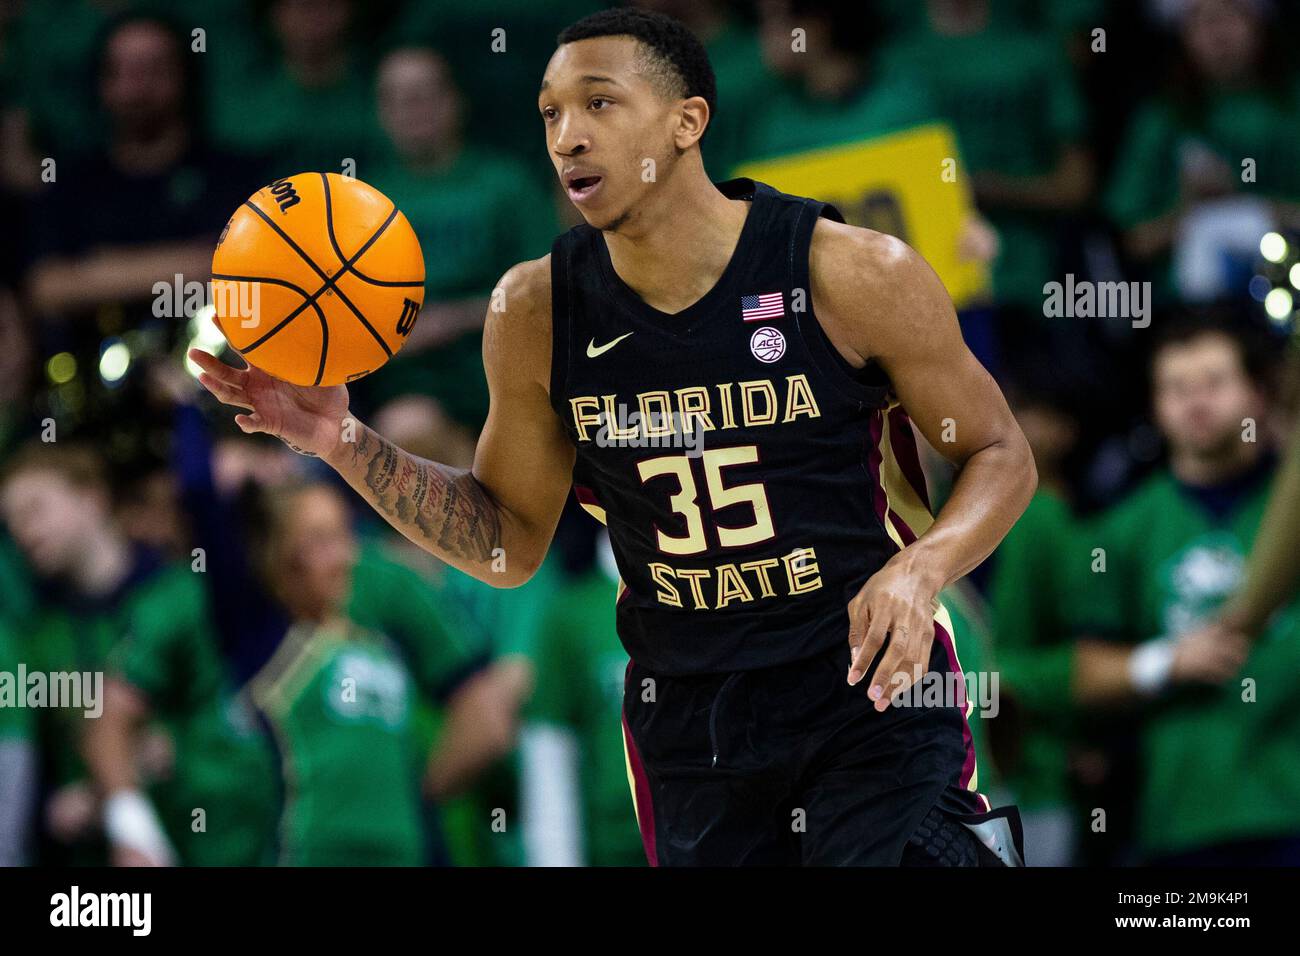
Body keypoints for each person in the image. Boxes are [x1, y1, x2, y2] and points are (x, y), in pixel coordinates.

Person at [192, 7, 1036, 867]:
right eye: (551, 113)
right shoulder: (533, 312)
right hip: (693, 723)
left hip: (868, 687)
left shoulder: (850, 271)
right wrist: (342, 441)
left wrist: (921, 567)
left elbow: (1001, 452)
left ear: (687, 121)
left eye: (598, 104)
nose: (568, 137)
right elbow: (507, 544)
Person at [1071, 316, 1300, 864]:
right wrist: (1166, 661)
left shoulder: (1286, 498)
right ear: (1154, 404)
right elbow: (1078, 671)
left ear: (1258, 393)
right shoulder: (1122, 530)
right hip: (1182, 822)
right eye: (1176, 388)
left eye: (1215, 383)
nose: (1195, 402)